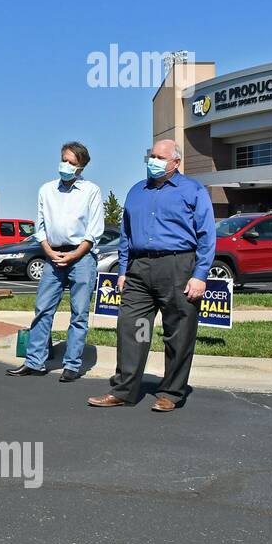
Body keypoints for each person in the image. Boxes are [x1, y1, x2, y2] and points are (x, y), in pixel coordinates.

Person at [88, 139, 216, 413]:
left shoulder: (193, 190)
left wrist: (200, 274)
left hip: (178, 266)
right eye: (151, 156)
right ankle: (123, 390)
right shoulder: (136, 191)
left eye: (160, 157)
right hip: (139, 269)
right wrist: (123, 270)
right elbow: (126, 234)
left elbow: (207, 235)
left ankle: (171, 392)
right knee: (131, 329)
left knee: (178, 333)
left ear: (176, 163)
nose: (153, 161)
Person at [7, 142, 104, 382]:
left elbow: (94, 230)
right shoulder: (46, 190)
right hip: (52, 256)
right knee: (43, 309)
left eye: (71, 162)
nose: (65, 165)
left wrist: (75, 254)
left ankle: (72, 364)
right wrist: (49, 251)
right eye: (64, 160)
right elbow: (39, 226)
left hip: (81, 258)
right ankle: (34, 361)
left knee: (79, 312)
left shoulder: (91, 191)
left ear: (81, 166)